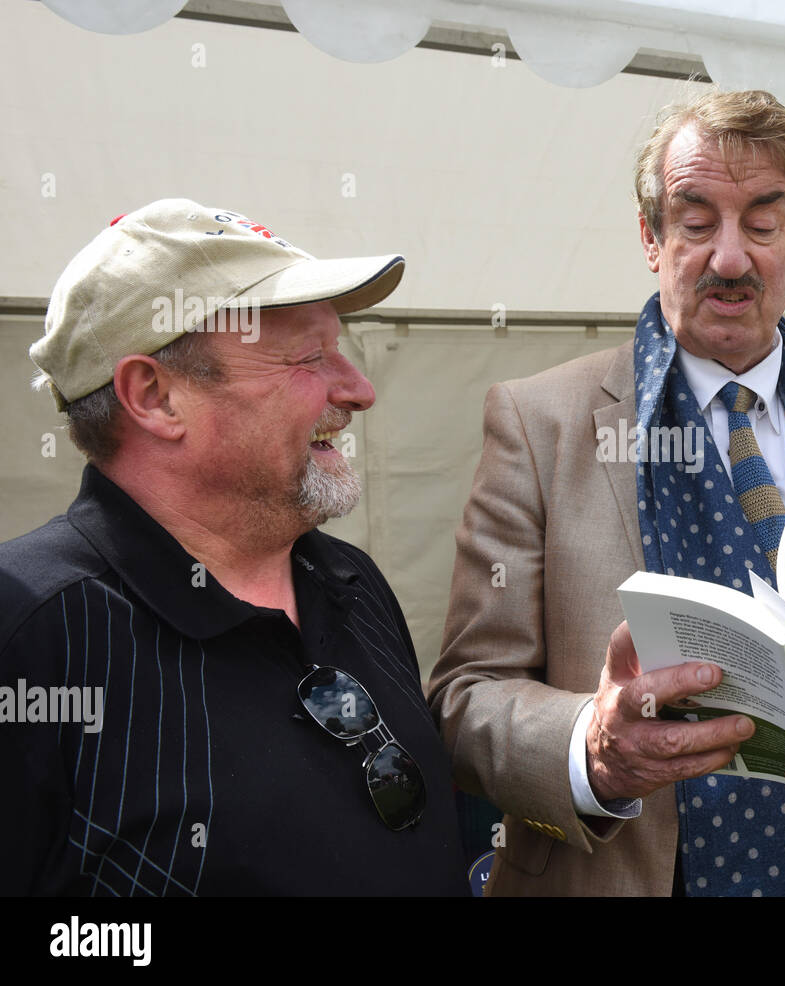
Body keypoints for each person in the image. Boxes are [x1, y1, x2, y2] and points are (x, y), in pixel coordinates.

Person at [430, 90, 785, 897]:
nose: (730, 259)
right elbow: (464, 699)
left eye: (764, 223)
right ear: (651, 237)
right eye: (696, 222)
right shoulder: (539, 423)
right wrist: (592, 748)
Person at [0, 199, 466, 895]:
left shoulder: (349, 580)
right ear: (155, 397)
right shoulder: (32, 631)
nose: (360, 390)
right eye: (310, 358)